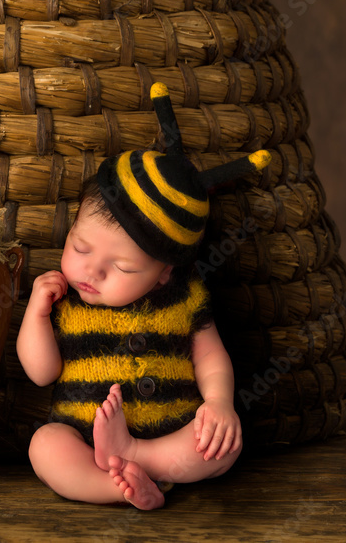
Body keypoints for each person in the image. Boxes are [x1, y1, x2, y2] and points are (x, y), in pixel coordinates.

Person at [16, 82, 270, 509]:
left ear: (163, 273)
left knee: (223, 446)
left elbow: (209, 356)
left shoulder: (183, 298)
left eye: (124, 267)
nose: (92, 270)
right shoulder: (64, 300)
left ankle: (140, 459)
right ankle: (116, 487)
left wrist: (219, 403)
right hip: (81, 436)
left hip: (169, 434)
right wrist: (36, 317)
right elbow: (42, 372)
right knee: (45, 445)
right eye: (80, 247)